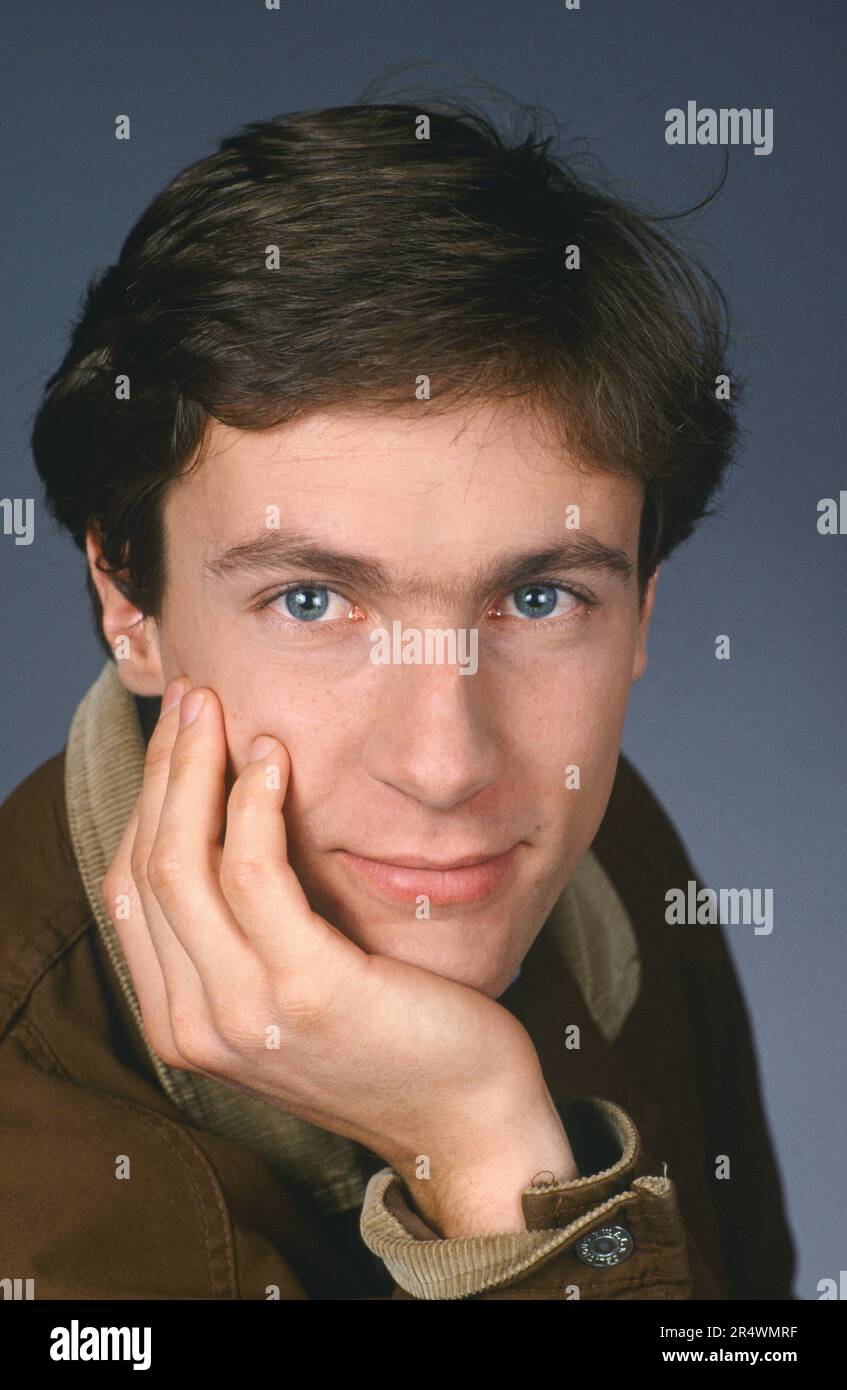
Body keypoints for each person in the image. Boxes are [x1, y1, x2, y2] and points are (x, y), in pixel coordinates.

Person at [0, 98, 795, 1300]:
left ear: (643, 607)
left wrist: (478, 1148)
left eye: (537, 600)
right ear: (130, 599)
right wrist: (494, 1153)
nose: (444, 764)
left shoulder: (602, 849)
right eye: (312, 601)